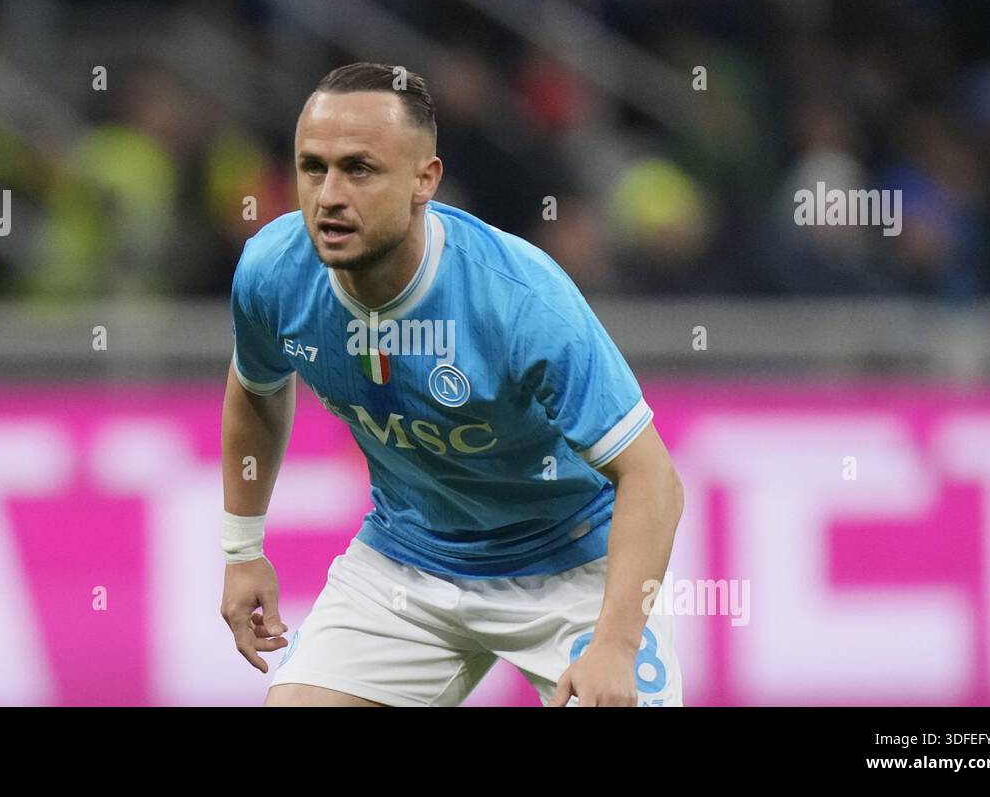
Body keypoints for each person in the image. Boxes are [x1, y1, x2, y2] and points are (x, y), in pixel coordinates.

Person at [219, 62, 684, 707]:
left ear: (424, 180)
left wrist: (615, 644)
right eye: (312, 167)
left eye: (359, 169)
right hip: (407, 560)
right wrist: (243, 549)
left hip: (572, 566)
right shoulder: (274, 272)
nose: (327, 195)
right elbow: (256, 387)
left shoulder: (520, 301)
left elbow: (652, 479)